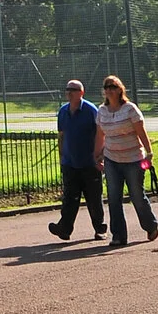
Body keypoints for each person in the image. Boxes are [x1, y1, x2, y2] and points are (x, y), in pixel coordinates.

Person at [96, 74, 158, 248]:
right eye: (106, 87)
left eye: (113, 87)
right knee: (114, 198)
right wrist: (97, 155)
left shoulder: (130, 109)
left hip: (133, 159)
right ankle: (118, 236)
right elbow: (100, 135)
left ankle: (150, 225)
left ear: (120, 89)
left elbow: (141, 132)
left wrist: (149, 153)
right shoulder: (101, 111)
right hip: (112, 160)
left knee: (137, 195)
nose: (109, 90)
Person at [47, 79, 107, 241]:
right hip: (70, 163)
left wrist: (99, 156)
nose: (69, 92)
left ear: (81, 92)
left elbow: (100, 134)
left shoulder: (91, 110)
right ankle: (64, 229)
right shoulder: (63, 111)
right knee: (69, 198)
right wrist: (61, 157)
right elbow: (61, 136)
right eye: (67, 89)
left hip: (89, 162)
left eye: (73, 90)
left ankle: (100, 229)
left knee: (94, 198)